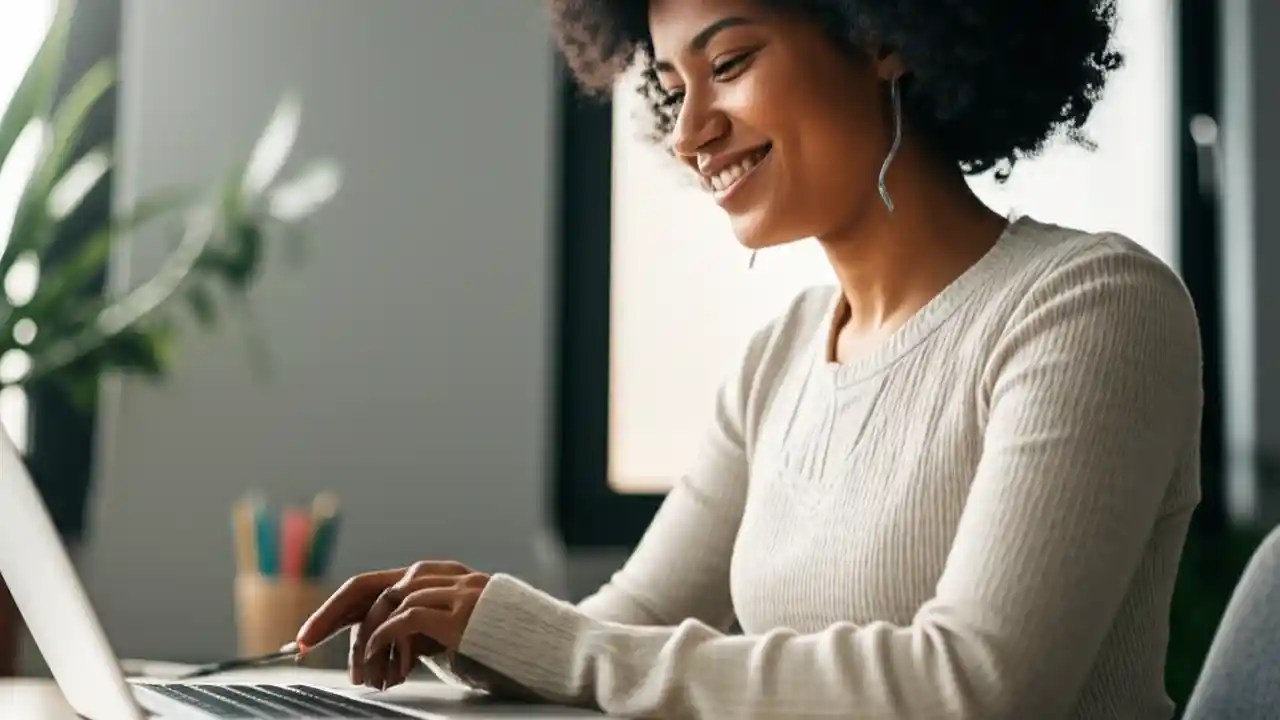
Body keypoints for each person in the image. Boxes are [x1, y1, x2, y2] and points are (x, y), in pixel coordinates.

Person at [297, 1, 1203, 717]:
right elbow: (619, 629)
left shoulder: (1090, 307)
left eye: (728, 65)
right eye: (670, 86)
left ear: (884, 35)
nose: (689, 133)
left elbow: (977, 686)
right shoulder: (780, 361)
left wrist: (560, 644)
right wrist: (468, 625)